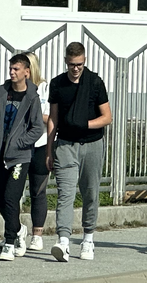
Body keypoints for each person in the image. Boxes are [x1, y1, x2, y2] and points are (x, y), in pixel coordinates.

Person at [47, 41, 113, 262]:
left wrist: (84, 124)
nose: (76, 69)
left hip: (92, 144)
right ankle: (63, 241)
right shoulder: (57, 84)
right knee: (65, 193)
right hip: (65, 144)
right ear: (66, 61)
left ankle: (88, 239)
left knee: (90, 192)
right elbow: (53, 119)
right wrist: (49, 149)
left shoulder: (94, 82)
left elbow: (107, 117)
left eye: (80, 64)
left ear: (85, 61)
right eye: (73, 64)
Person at [0, 54, 45, 261]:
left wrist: (19, 143)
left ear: (26, 72)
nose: (12, 72)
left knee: (11, 197)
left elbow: (37, 128)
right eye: (11, 69)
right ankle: (19, 229)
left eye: (16, 69)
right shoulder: (1, 93)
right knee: (0, 199)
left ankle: (9, 242)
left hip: (20, 156)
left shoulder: (32, 97)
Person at [23, 52, 50, 252]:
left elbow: (50, 117)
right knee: (11, 192)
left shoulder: (44, 88)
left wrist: (34, 113)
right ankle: (13, 231)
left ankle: (37, 234)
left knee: (38, 191)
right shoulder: (14, 88)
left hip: (40, 144)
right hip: (19, 146)